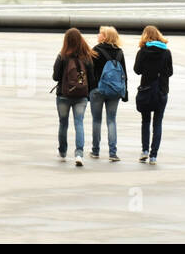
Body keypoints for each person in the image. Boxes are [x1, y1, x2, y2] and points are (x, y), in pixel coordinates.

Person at [52, 28, 98, 166]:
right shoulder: (87, 57)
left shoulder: (62, 56)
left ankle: (63, 151)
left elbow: (55, 77)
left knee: (63, 123)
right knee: (79, 123)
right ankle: (79, 154)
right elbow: (92, 79)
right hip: (81, 96)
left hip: (63, 95)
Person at [134, 25, 173, 165]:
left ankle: (144, 150)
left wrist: (148, 70)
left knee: (145, 121)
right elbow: (170, 72)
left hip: (146, 90)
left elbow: (137, 70)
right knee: (158, 123)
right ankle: (153, 156)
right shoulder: (166, 52)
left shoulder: (143, 51)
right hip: (161, 91)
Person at [89, 26, 128, 161]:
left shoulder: (95, 50)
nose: (98, 35)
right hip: (115, 91)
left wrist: (89, 90)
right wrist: (125, 92)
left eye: (100, 33)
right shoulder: (119, 52)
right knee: (111, 120)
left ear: (105, 37)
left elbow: (90, 71)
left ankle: (95, 151)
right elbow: (124, 74)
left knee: (96, 120)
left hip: (98, 90)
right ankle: (113, 153)